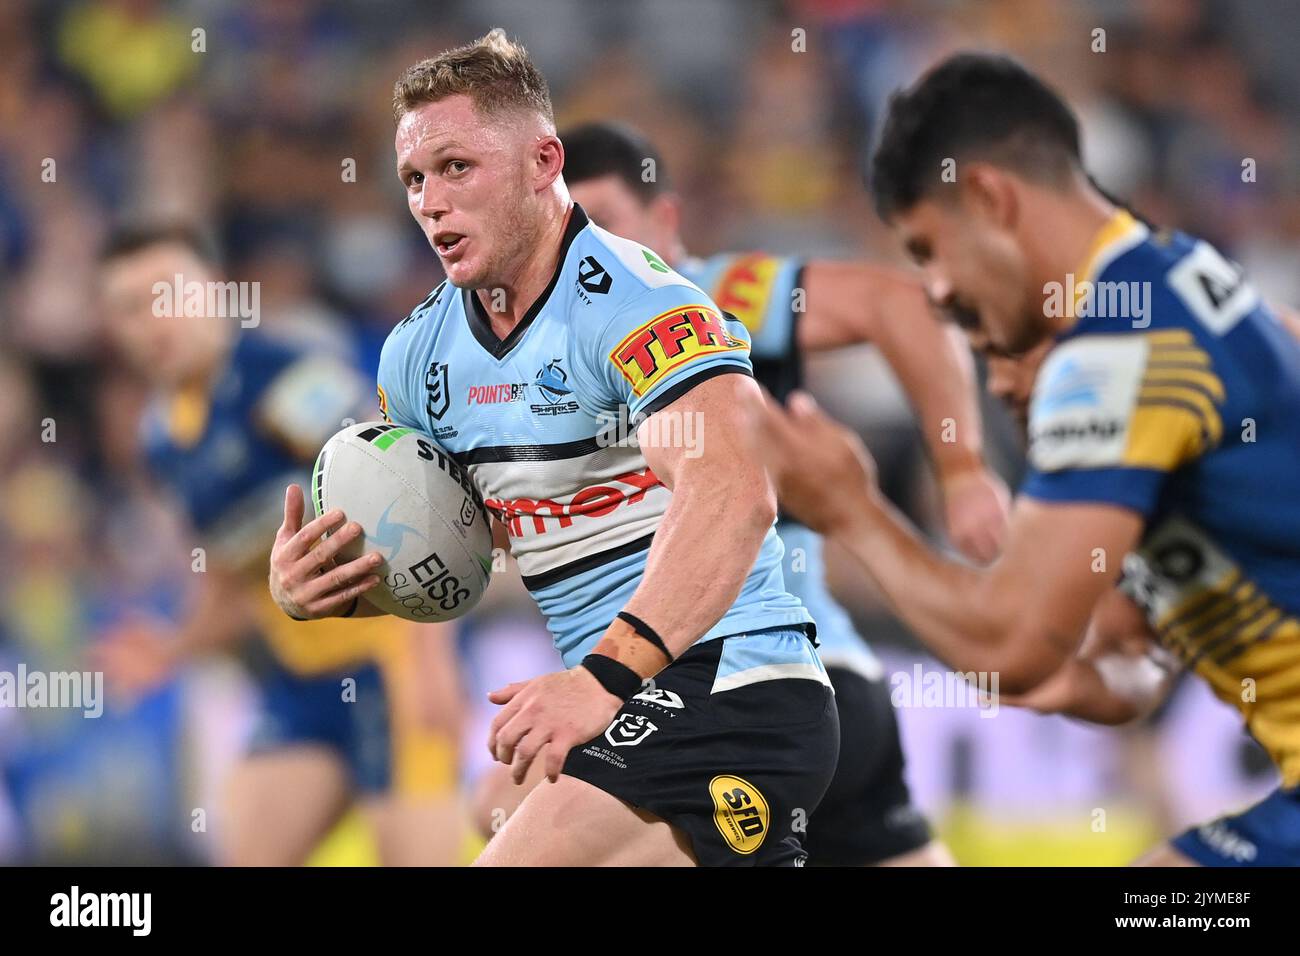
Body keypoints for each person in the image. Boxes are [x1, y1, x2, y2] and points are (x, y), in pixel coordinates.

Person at [267, 29, 839, 867]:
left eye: (457, 167)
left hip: (735, 685)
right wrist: (331, 583)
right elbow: (459, 544)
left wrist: (602, 680)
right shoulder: (416, 357)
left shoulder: (639, 305)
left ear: (544, 162)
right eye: (415, 179)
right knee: (492, 802)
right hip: (636, 705)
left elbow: (735, 494)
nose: (430, 201)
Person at [758, 53, 1300, 867]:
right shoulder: (1181, 286)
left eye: (928, 248)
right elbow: (1130, 658)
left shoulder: (1119, 353)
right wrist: (1071, 675)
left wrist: (850, 510)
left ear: (988, 197)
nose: (936, 292)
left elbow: (1010, 640)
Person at [484, 119, 1012, 865]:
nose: (580, 247)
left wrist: (960, 469)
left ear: (666, 223)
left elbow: (902, 306)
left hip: (755, 677)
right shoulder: (546, 340)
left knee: (508, 804)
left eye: (599, 222)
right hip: (794, 687)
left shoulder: (695, 295)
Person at [96, 223, 467, 866]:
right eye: (128, 308)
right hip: (299, 684)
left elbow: (415, 496)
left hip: (389, 666)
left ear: (213, 290)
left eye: (166, 293)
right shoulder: (162, 439)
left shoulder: (285, 380)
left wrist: (433, 656)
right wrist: (170, 646)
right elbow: (237, 584)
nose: (151, 321)